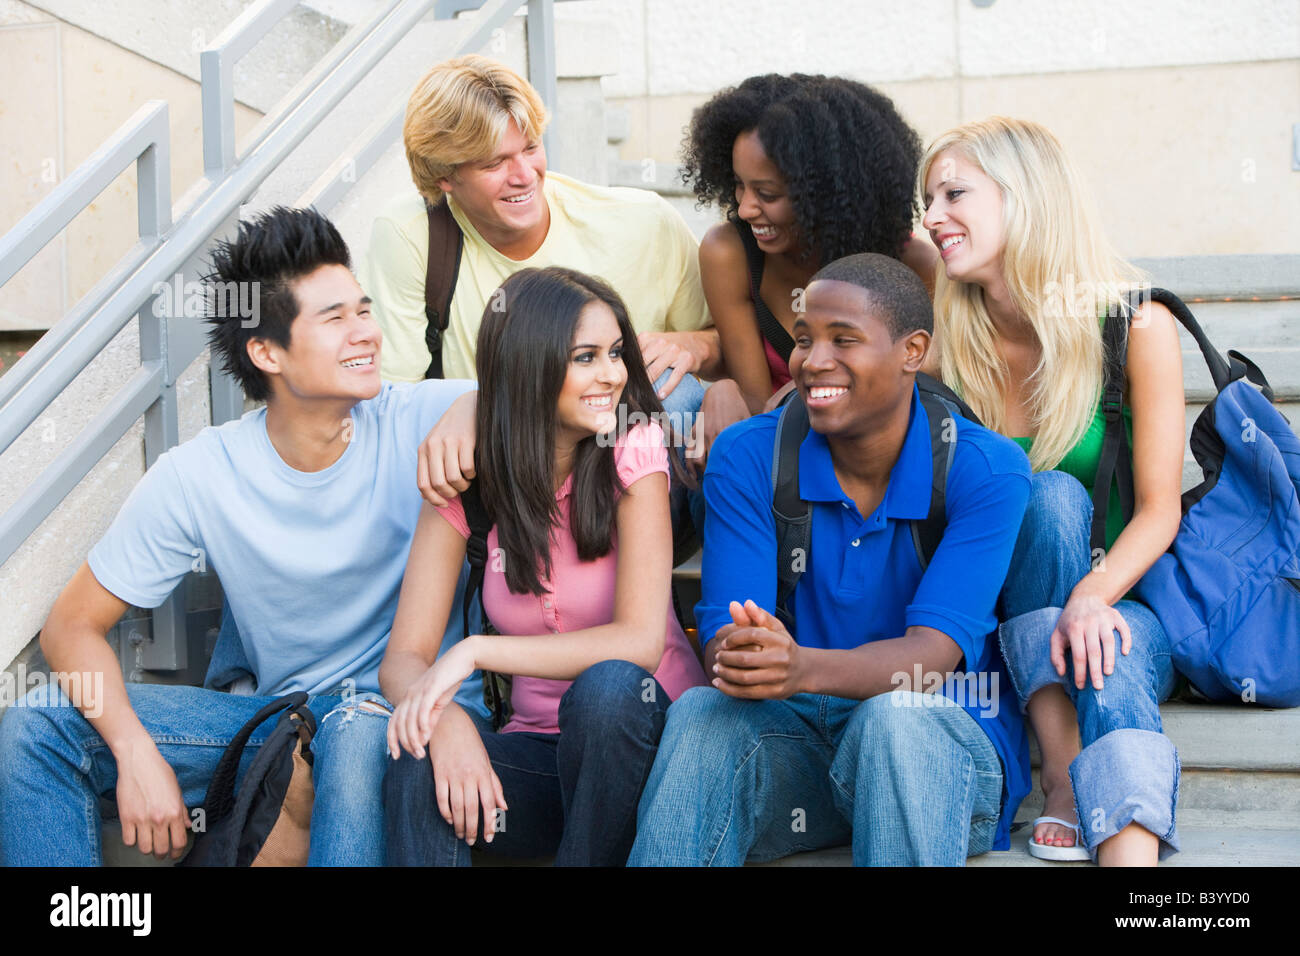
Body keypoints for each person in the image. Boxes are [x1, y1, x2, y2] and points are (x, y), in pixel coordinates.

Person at [0, 206, 483, 866]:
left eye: (363, 310)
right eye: (334, 318)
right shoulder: (202, 473)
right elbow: (70, 626)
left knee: (353, 734)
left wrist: (479, 405)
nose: (365, 332)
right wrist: (135, 752)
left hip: (399, 716)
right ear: (267, 352)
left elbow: (553, 384)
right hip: (278, 725)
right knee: (37, 725)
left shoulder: (428, 417)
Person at [628, 253, 1033, 867]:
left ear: (912, 351)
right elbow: (727, 638)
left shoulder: (985, 470)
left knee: (896, 721)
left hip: (935, 753)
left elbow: (929, 660)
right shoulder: (748, 456)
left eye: (843, 340)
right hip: (799, 750)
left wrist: (799, 667)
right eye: (803, 340)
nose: (813, 361)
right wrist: (744, 656)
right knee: (705, 713)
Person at [919, 116, 1185, 865]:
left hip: (1122, 600)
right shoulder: (944, 349)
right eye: (927, 197)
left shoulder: (1136, 326)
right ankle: (1065, 771)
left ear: (1026, 197)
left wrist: (1093, 595)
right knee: (1044, 499)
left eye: (954, 193)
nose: (932, 216)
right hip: (995, 631)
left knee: (1115, 650)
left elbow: (1161, 508)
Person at [382, 267, 707, 866]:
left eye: (615, 354)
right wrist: (446, 720)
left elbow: (636, 644)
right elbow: (403, 658)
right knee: (416, 753)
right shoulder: (470, 484)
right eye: (585, 357)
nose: (611, 374)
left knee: (606, 689)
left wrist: (475, 652)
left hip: (649, 750)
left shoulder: (632, 451)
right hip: (538, 757)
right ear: (529, 365)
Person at [363, 54, 720, 421]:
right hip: (497, 450)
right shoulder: (411, 233)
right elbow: (394, 396)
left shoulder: (646, 221)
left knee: (679, 399)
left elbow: (737, 347)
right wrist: (460, 409)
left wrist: (698, 345)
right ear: (445, 176)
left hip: (624, 446)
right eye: (494, 162)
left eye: (531, 147)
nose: (524, 175)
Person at [681, 73, 937, 457]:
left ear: (828, 196)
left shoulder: (913, 266)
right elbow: (756, 406)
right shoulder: (729, 253)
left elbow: (925, 393)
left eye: (767, 193)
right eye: (738, 185)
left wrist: (803, 396)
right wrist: (722, 388)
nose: (746, 208)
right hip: (779, 459)